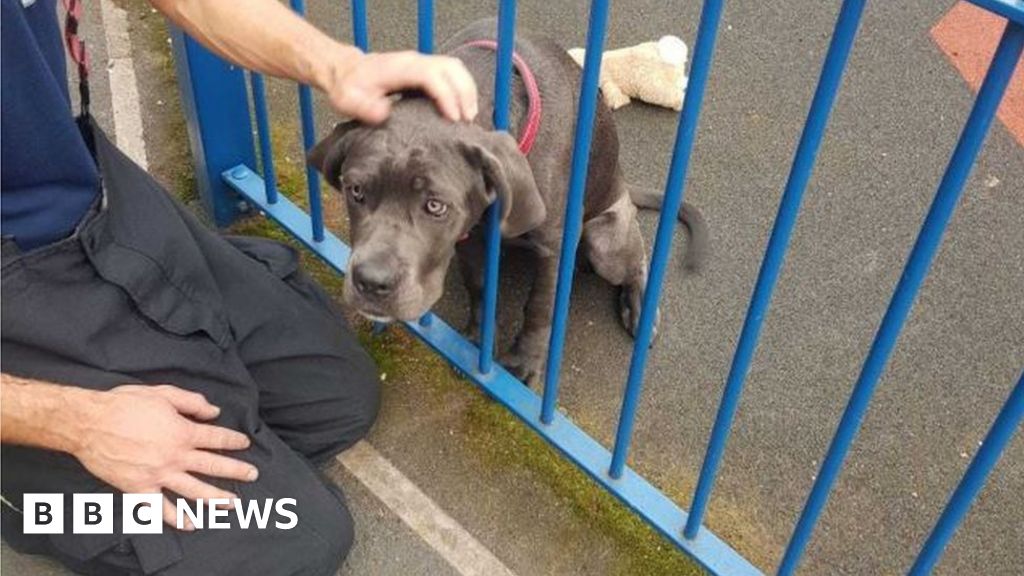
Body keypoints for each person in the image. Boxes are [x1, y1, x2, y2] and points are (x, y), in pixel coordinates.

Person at [0, 0, 478, 574]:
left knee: (340, 398)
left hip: (87, 190)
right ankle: (29, 492)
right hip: (17, 297)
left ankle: (165, 359)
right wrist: (73, 421)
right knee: (298, 535)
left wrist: (338, 65)